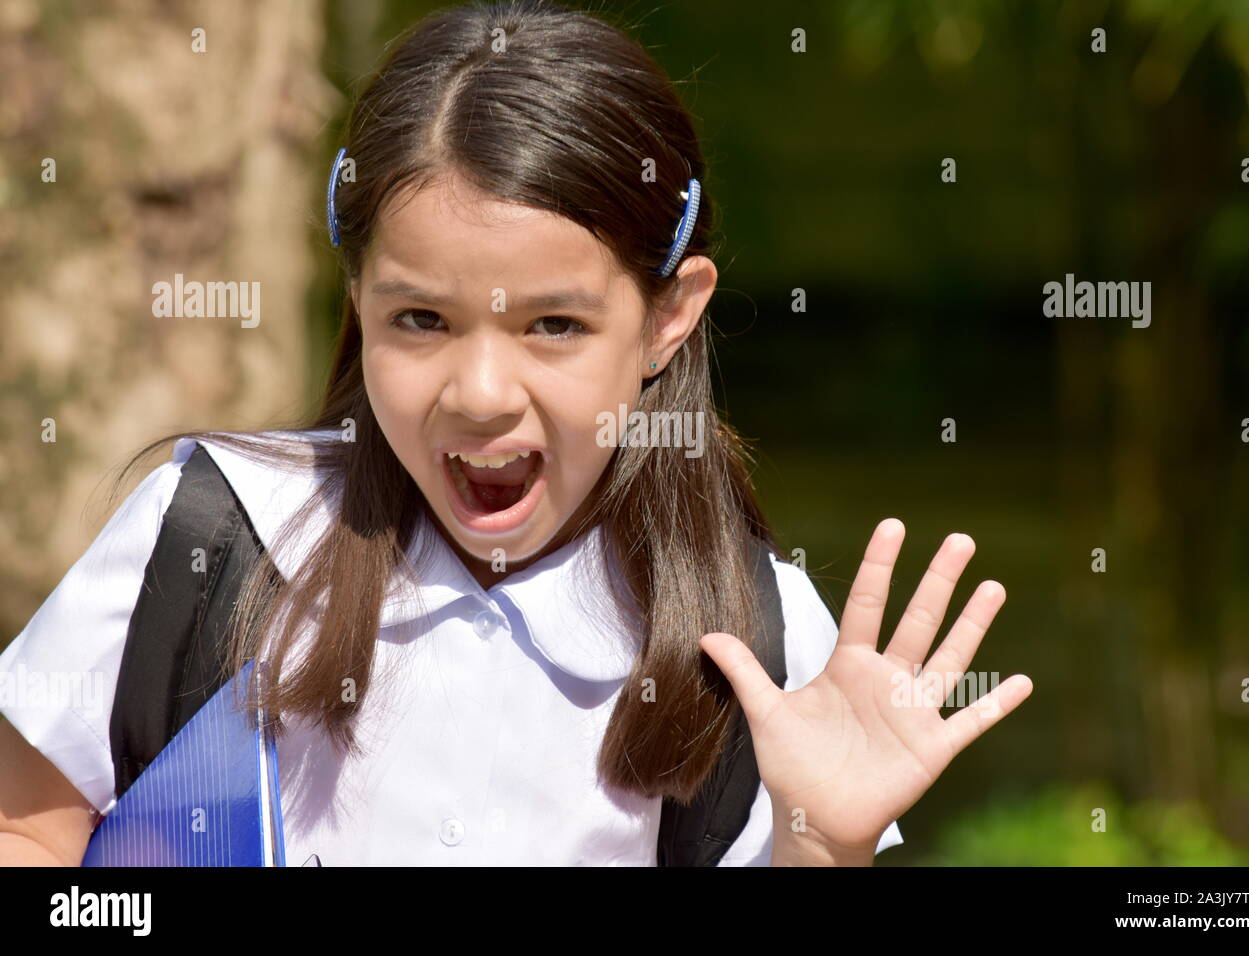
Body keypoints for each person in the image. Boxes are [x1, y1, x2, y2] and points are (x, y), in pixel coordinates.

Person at [0, 0, 1031, 866]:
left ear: (668, 317)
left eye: (553, 325)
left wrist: (819, 848)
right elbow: (29, 830)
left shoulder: (759, 645)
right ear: (355, 301)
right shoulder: (218, 537)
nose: (481, 392)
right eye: (420, 319)